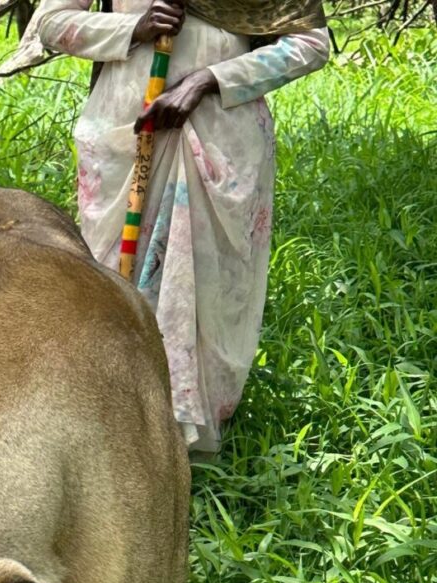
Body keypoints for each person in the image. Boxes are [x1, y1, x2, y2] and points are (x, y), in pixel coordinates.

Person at [24, 0, 329, 453]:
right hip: (126, 134)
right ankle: (112, 426)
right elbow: (50, 24)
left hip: (221, 140)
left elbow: (311, 43)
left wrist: (212, 80)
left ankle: (189, 442)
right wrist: (135, 26)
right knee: (111, 287)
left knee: (207, 288)